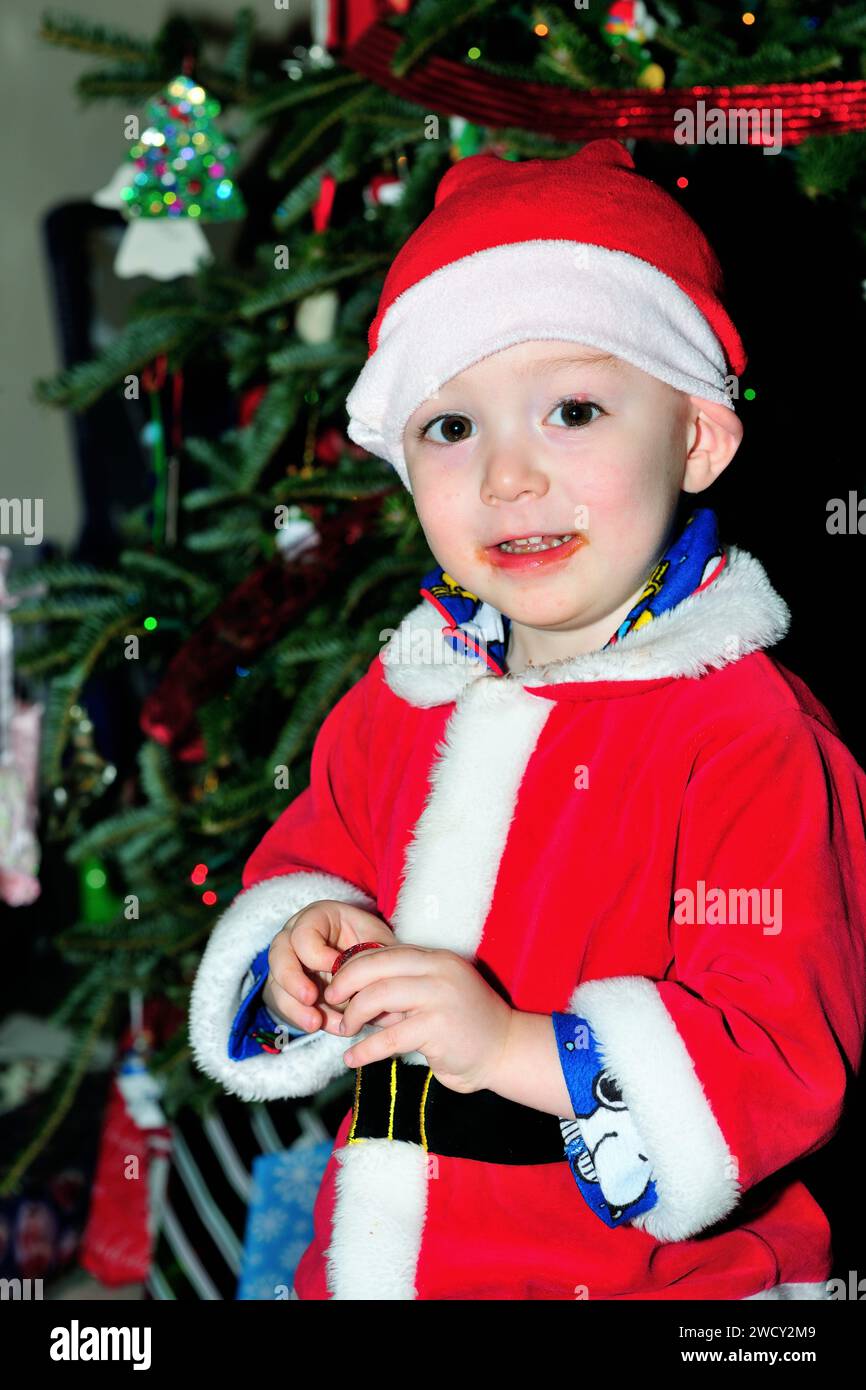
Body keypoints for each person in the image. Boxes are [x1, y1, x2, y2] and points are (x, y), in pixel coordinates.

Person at [188, 139, 866, 1300]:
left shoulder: (746, 733)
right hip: (382, 1255)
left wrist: (509, 1046)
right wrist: (299, 947)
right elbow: (310, 859)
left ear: (694, 437)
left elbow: (777, 1054)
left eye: (571, 408)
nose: (506, 476)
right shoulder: (404, 694)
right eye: (450, 428)